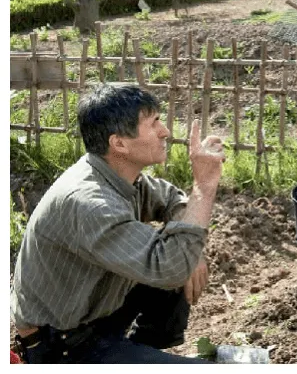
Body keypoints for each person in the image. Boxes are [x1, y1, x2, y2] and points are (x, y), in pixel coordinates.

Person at [11, 84, 225, 364]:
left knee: (181, 250)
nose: (166, 132)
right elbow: (171, 266)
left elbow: (172, 199)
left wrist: (191, 252)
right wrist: (205, 186)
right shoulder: (90, 202)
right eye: (154, 123)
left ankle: (142, 349)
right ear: (119, 143)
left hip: (95, 316)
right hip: (62, 347)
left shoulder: (118, 175)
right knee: (176, 257)